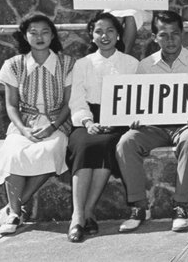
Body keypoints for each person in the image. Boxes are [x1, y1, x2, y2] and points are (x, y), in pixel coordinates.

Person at [116, 11, 188, 233]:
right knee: (126, 142)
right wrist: (134, 119)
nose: (170, 40)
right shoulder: (145, 66)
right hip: (155, 126)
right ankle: (139, 207)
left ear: (183, 34)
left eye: (175, 34)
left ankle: (181, 206)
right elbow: (138, 103)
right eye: (164, 34)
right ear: (154, 37)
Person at [0, 16, 74, 236]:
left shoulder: (67, 63)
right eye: (33, 32)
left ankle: (17, 205)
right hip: (25, 123)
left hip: (57, 122)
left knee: (51, 151)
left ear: (52, 35)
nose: (39, 37)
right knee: (13, 152)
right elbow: (11, 106)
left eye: (44, 32)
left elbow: (70, 102)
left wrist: (52, 126)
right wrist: (23, 129)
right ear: (25, 36)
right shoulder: (13, 65)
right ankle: (15, 214)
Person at [66, 13, 138, 242]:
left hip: (118, 121)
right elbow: (77, 99)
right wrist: (88, 122)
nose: (104, 36)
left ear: (118, 34)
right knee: (85, 146)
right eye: (99, 31)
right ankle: (78, 216)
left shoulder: (131, 64)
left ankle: (89, 210)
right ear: (91, 35)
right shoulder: (82, 64)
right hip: (87, 120)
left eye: (110, 31)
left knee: (107, 144)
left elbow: (136, 99)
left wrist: (119, 120)